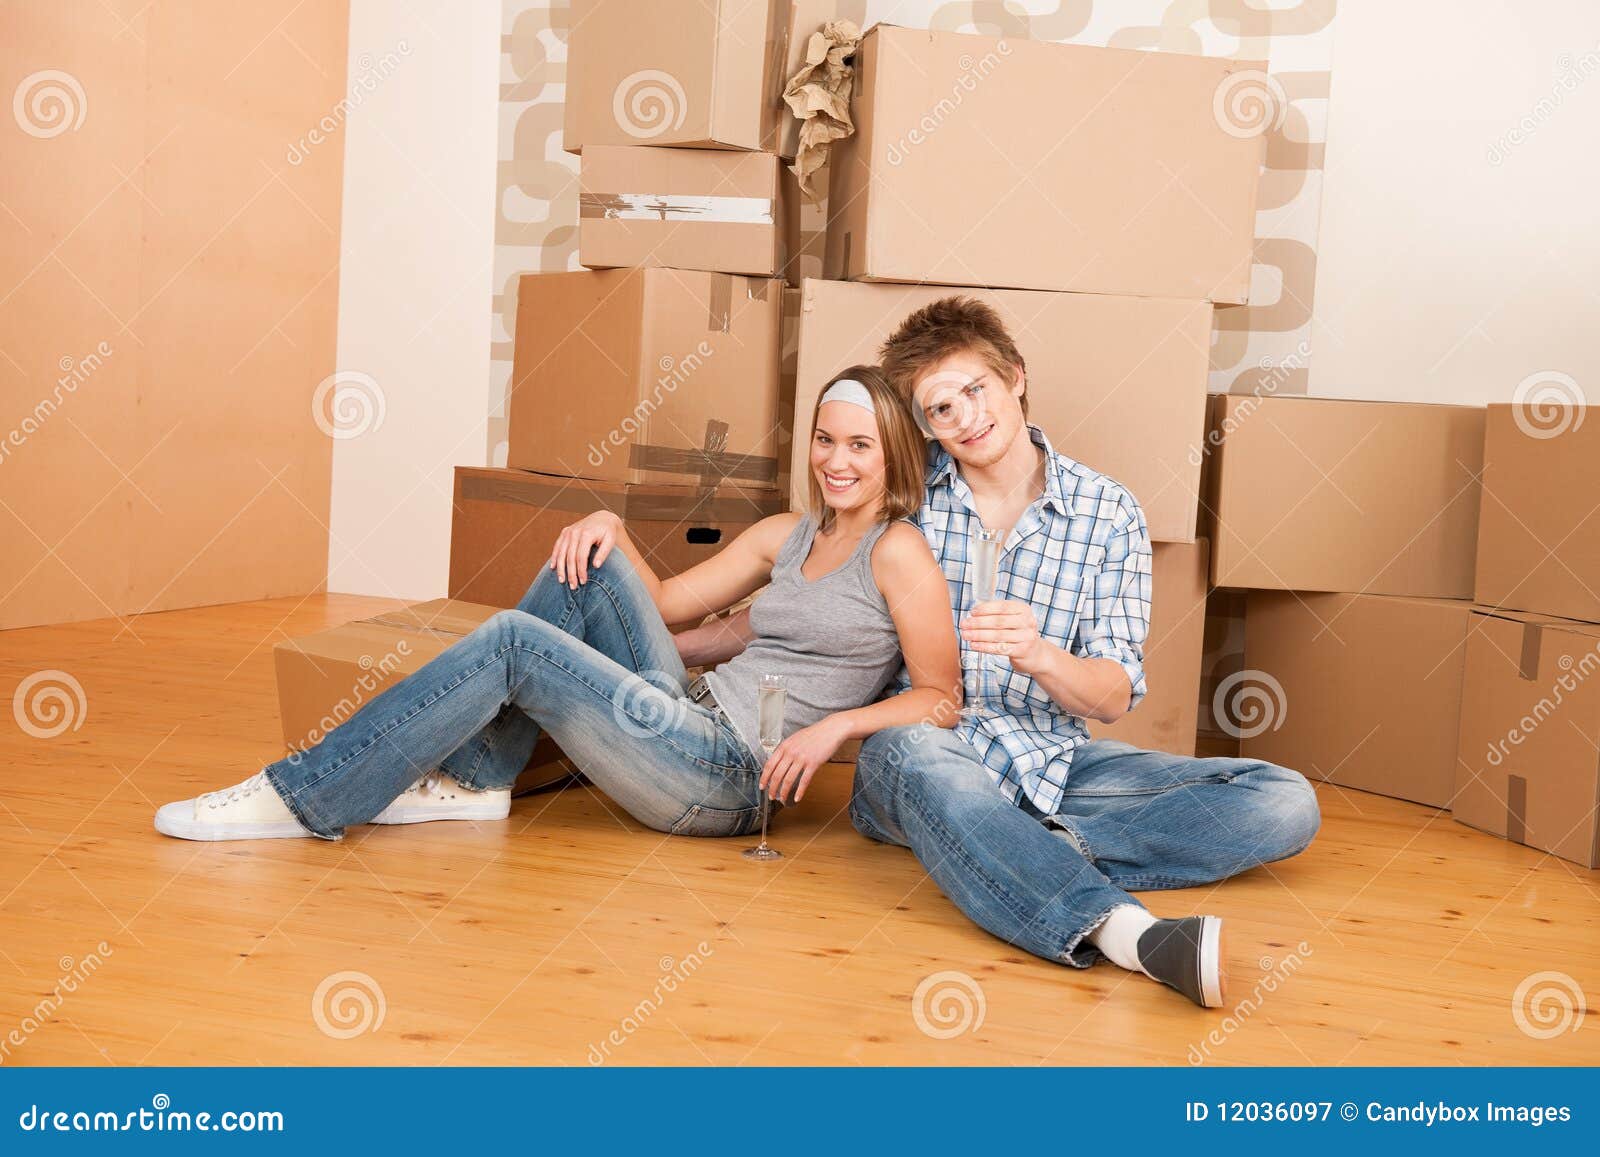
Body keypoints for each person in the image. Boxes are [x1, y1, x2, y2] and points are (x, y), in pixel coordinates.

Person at [675, 298, 1321, 1009]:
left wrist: (1040, 653)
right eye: (939, 409)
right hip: (919, 751)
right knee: (914, 752)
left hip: (1053, 760)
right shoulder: (904, 497)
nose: (965, 418)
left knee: (1282, 802)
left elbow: (1111, 693)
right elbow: (804, 596)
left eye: (974, 391)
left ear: (1014, 376)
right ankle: (1128, 933)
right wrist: (687, 647)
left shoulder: (1108, 513)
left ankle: (1012, 845)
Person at [154, 367, 961, 843]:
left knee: (513, 638)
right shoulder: (787, 532)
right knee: (589, 566)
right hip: (685, 710)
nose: (836, 460)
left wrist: (836, 726)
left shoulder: (898, 551)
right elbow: (670, 603)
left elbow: (941, 699)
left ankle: (303, 796)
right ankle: (476, 783)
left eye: (859, 445)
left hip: (730, 775)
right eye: (825, 439)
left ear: (892, 452)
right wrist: (610, 524)